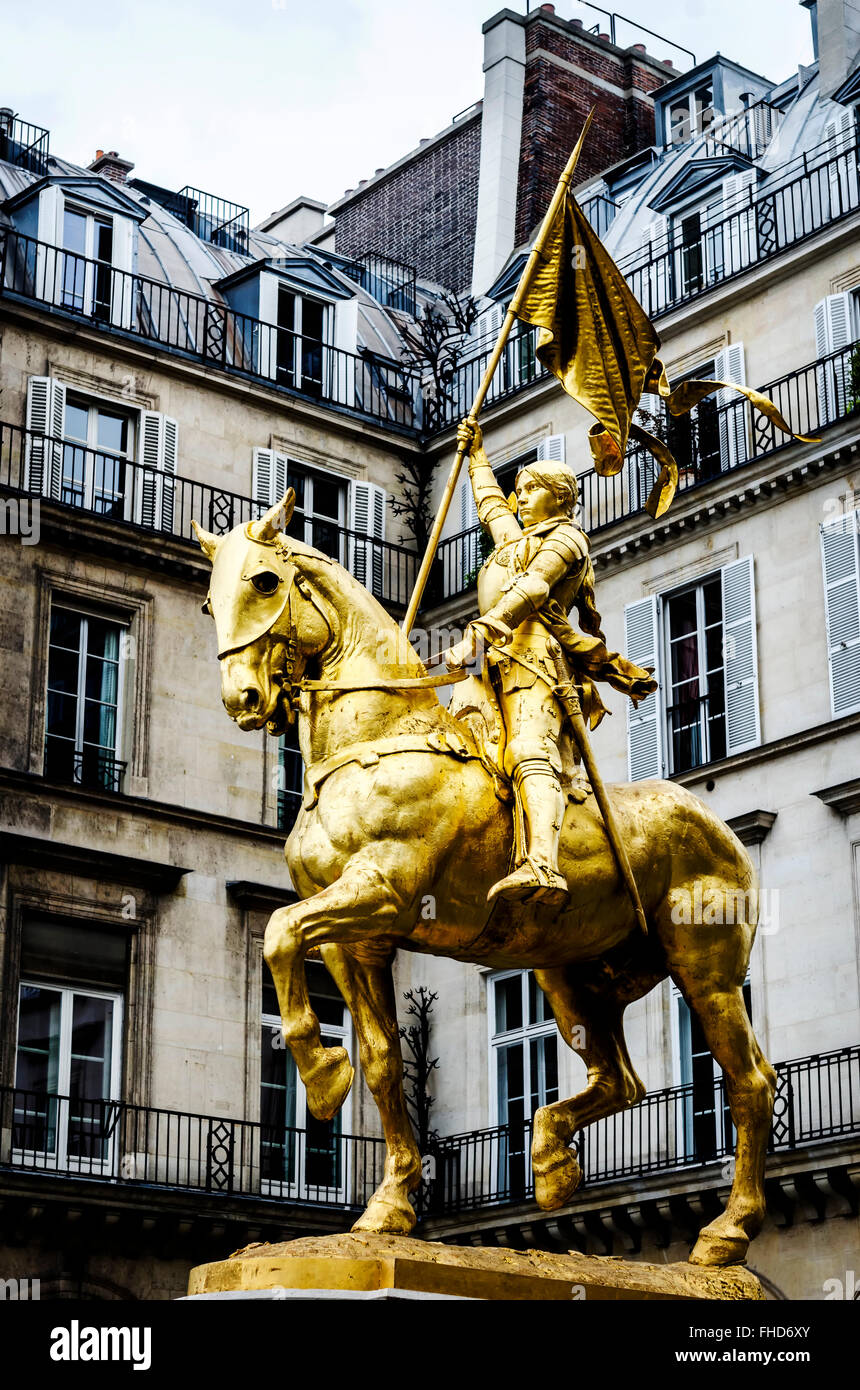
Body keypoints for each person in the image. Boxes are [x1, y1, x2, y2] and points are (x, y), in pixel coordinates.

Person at [444, 419, 656, 908]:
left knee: (527, 750)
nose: (518, 500)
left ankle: (543, 862)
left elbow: (536, 586)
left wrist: (484, 627)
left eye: (530, 489)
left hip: (538, 658)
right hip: (493, 658)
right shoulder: (516, 540)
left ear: (560, 497)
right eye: (518, 491)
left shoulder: (568, 539)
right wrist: (476, 456)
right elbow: (490, 505)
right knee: (453, 739)